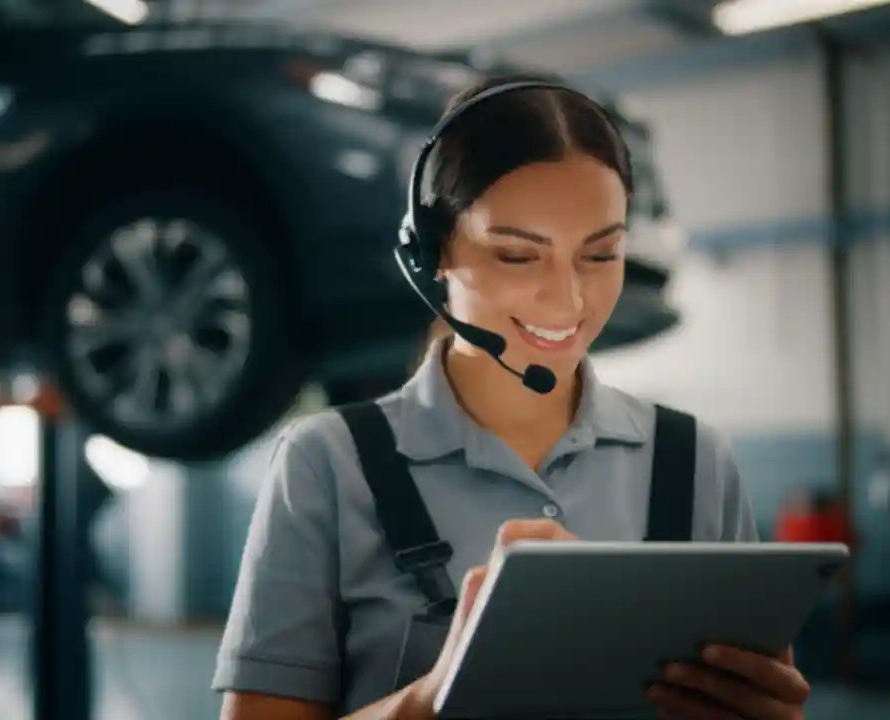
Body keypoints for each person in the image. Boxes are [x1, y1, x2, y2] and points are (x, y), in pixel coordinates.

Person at [213, 74, 813, 720]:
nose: (569, 301)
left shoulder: (695, 464)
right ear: (430, 253)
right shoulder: (326, 465)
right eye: (518, 257)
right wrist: (429, 696)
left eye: (601, 255)